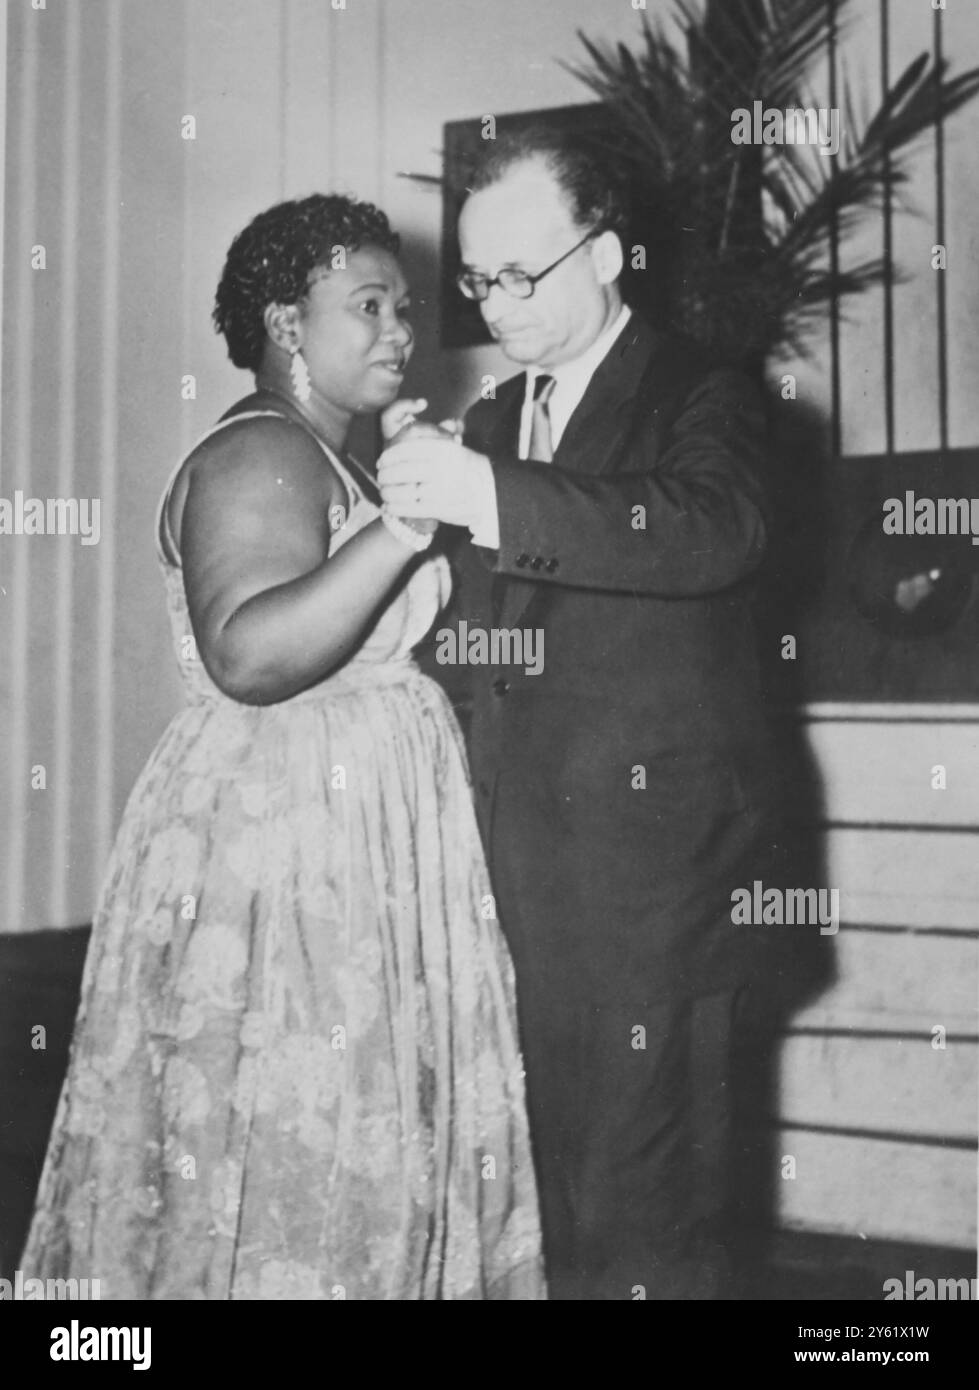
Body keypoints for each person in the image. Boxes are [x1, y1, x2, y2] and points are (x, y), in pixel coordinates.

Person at [21, 194, 545, 1301]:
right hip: (291, 839)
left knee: (360, 1128)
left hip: (360, 831)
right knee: (292, 1135)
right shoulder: (262, 448)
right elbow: (250, 655)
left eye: (404, 307)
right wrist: (403, 532)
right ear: (285, 323)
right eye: (367, 306)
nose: (401, 331)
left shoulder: (334, 458)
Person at [378, 130, 782, 1300]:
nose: (496, 306)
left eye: (523, 275)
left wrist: (486, 495)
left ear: (604, 254)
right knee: (549, 1214)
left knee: (650, 1227)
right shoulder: (499, 419)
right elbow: (503, 643)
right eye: (477, 280)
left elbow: (713, 530)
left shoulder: (705, 390)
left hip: (656, 890)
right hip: (519, 879)